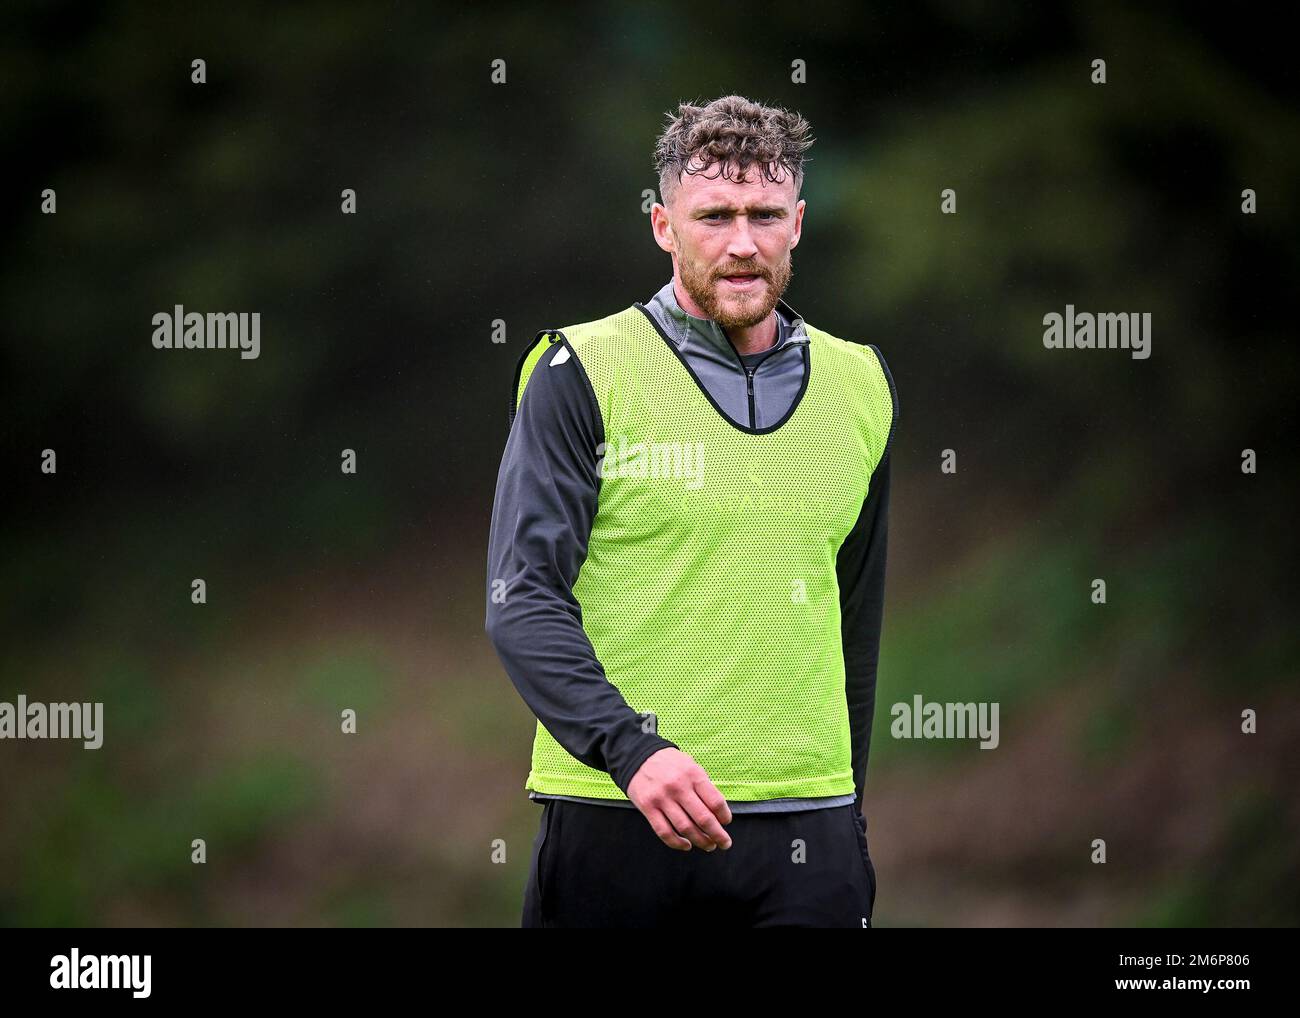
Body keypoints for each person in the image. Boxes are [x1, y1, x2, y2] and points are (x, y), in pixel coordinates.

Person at [485, 94, 897, 927]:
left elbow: (854, 621)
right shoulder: (580, 370)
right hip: (617, 817)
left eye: (764, 215)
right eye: (714, 215)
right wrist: (629, 750)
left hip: (807, 834)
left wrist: (850, 814)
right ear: (663, 226)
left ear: (799, 223)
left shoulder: (863, 384)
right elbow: (522, 600)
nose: (742, 242)